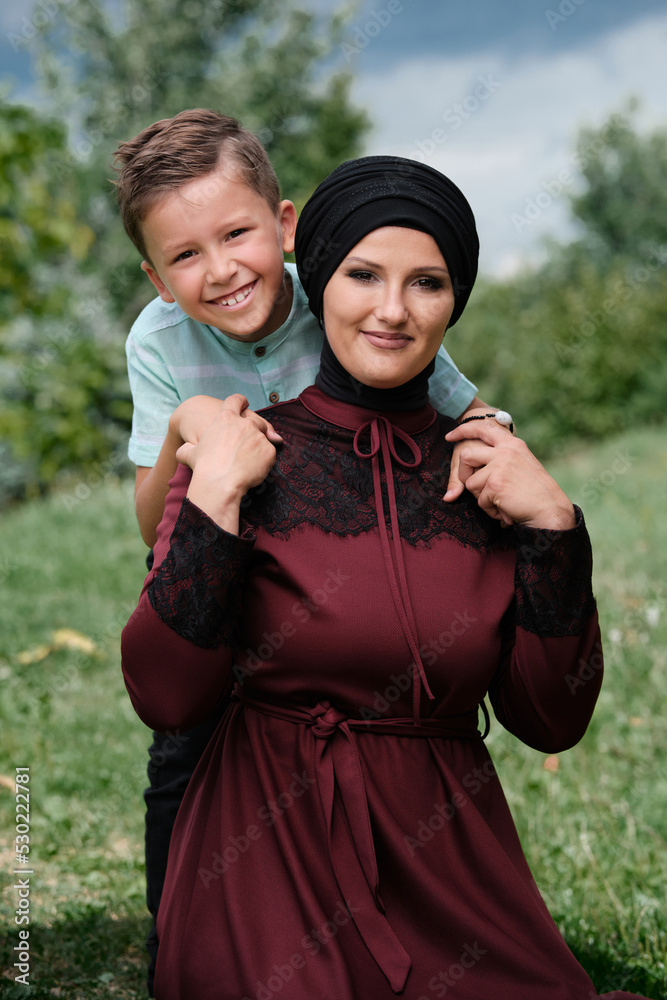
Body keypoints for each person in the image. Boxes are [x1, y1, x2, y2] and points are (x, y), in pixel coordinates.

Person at [121, 155, 642, 999]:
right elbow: (167, 699)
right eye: (363, 275)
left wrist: (553, 528)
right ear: (320, 279)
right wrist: (210, 491)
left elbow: (549, 721)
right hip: (266, 864)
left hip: (453, 874)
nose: (392, 311)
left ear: (454, 301)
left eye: (426, 283)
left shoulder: (486, 471)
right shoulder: (237, 450)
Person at [114, 109, 496, 993]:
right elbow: (149, 525)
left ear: (283, 227)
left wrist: (493, 438)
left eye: (237, 234)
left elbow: (457, 406)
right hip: (216, 567)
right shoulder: (158, 339)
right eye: (185, 256)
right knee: (183, 755)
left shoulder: (348, 297)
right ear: (157, 277)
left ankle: (370, 912)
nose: (221, 270)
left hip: (331, 581)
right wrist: (185, 429)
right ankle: (178, 933)